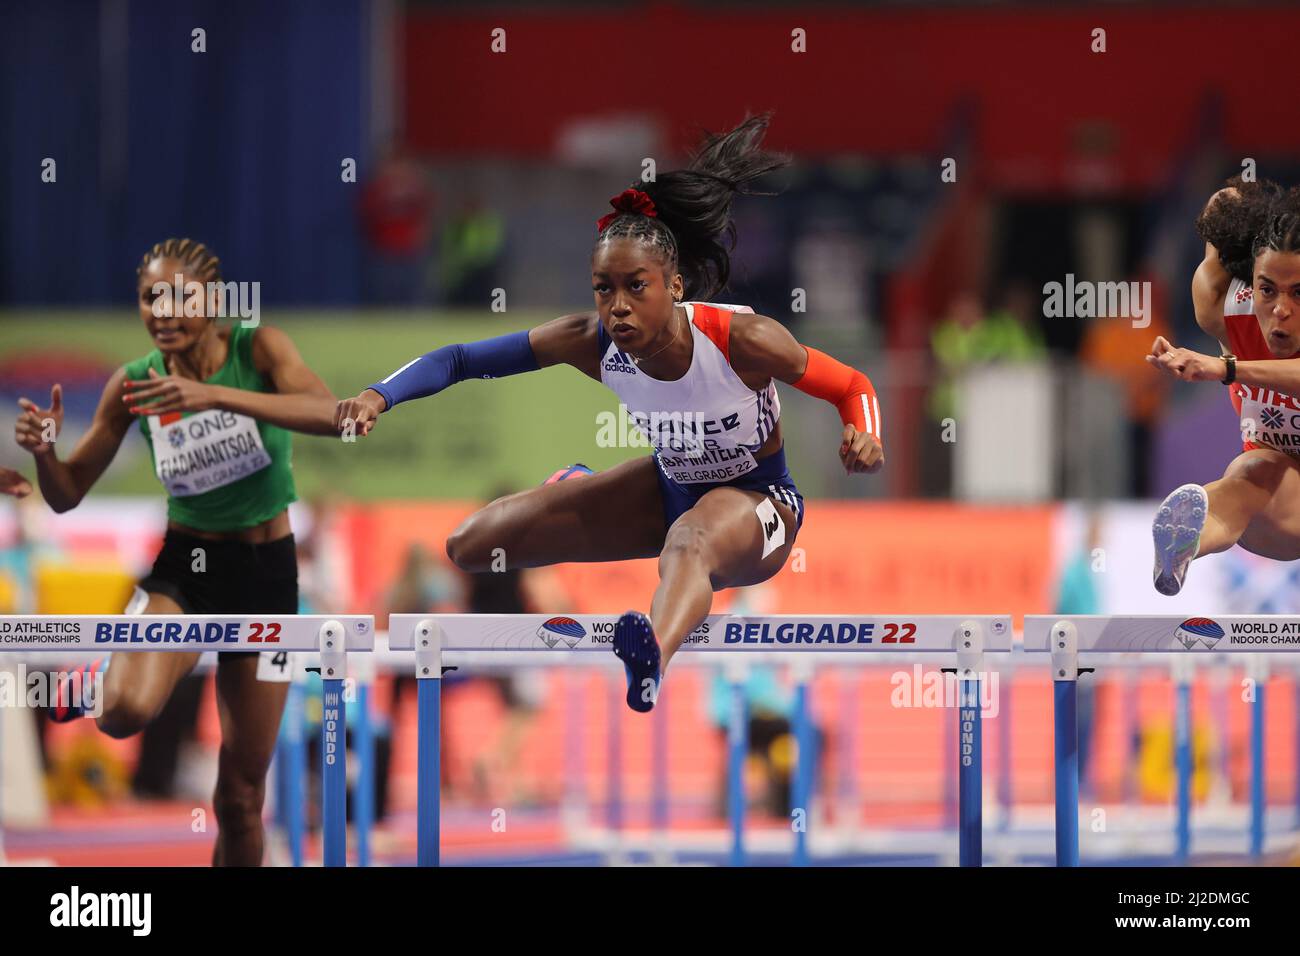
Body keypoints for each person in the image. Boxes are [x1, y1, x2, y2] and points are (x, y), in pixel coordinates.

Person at [334, 113, 885, 712]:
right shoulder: (590, 341)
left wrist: (864, 432)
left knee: (691, 541)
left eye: (635, 287)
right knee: (472, 544)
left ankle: (650, 660)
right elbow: (461, 358)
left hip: (759, 505)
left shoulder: (743, 340)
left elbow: (851, 383)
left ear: (674, 286)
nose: (617, 308)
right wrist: (379, 394)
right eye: (603, 288)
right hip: (668, 490)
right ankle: (575, 486)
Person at [11, 238, 337, 864]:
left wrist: (216, 396)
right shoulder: (134, 384)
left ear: (213, 300)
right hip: (187, 568)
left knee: (240, 799)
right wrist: (46, 453)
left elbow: (331, 413)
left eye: (178, 295)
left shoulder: (258, 347)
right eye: (148, 298)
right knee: (126, 709)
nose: (162, 311)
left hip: (267, 577)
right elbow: (65, 495)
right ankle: (90, 682)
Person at [1147, 179, 1300, 594]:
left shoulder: (1227, 354)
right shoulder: (1224, 307)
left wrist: (1224, 368)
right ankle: (1186, 542)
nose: (1280, 309)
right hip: (1283, 506)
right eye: (1267, 289)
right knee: (1248, 469)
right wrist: (1244, 217)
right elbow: (1221, 208)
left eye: (1299, 293)